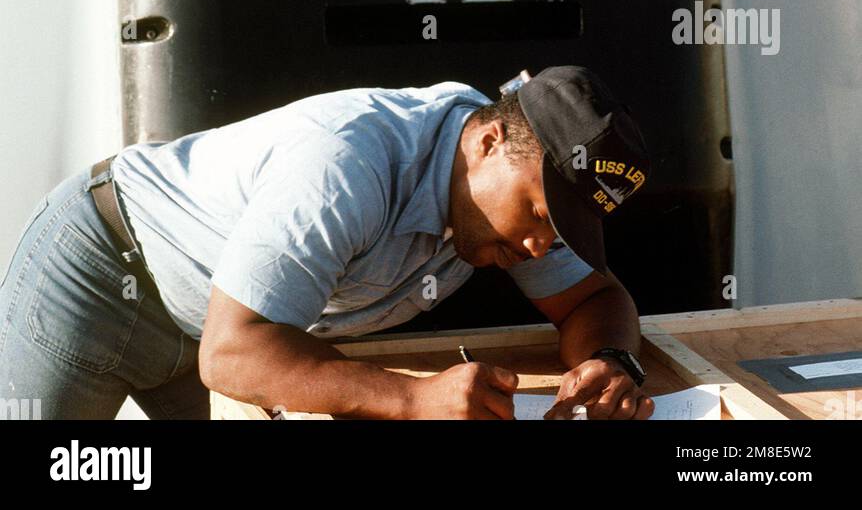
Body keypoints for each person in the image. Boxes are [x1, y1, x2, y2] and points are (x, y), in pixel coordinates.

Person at [0, 64, 654, 420]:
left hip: (221, 324)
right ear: (487, 143)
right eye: (538, 216)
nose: (542, 246)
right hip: (101, 276)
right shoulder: (350, 161)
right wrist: (414, 399)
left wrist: (610, 361)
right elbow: (234, 357)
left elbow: (592, 300)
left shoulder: (515, 190)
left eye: (562, 231)